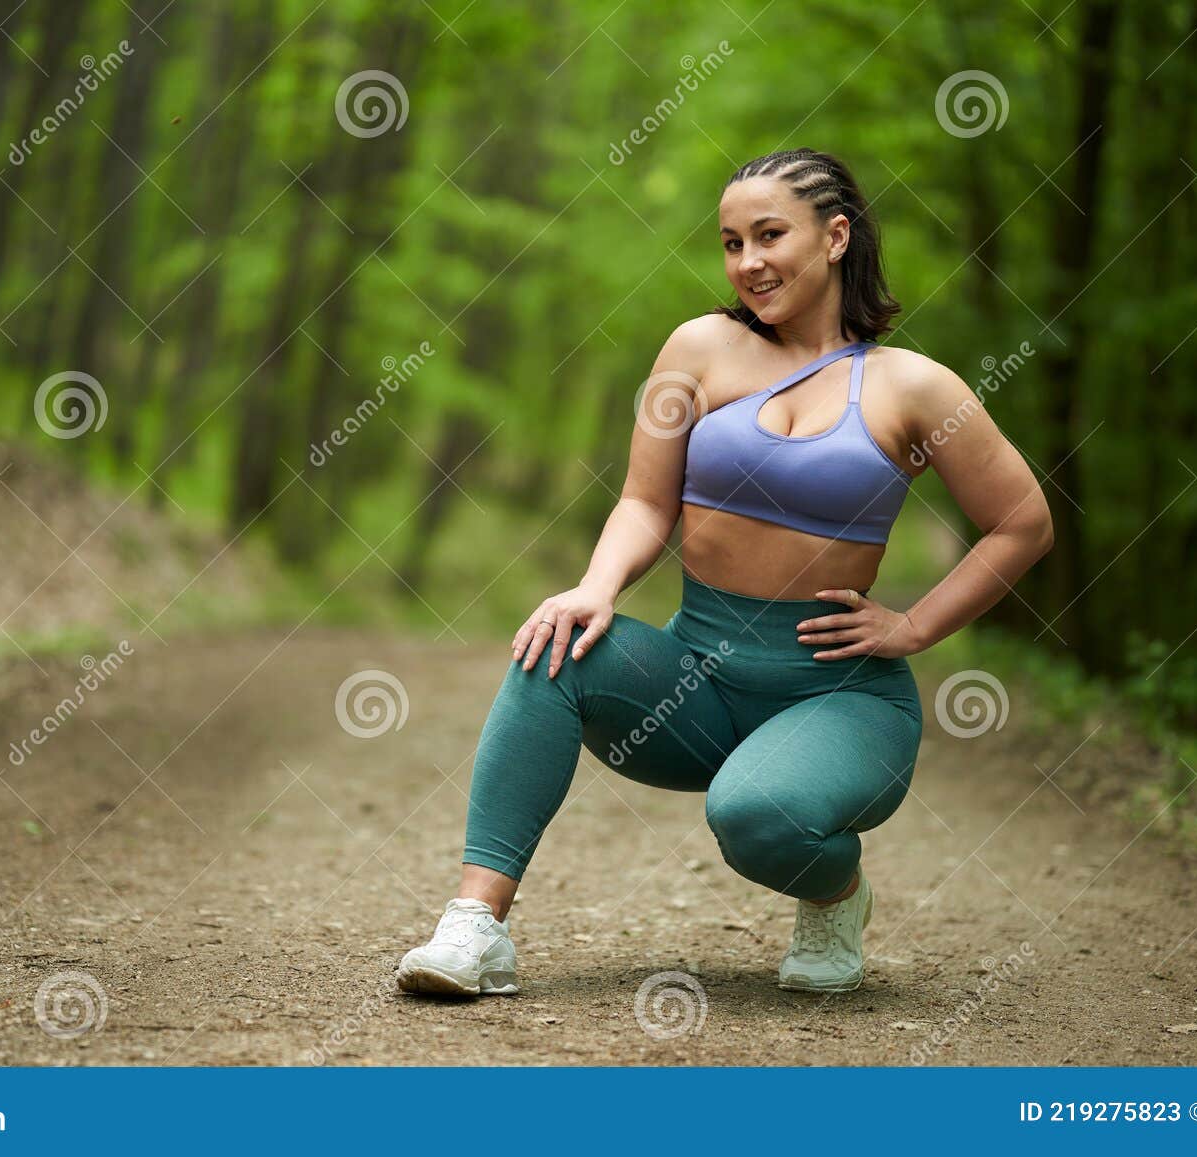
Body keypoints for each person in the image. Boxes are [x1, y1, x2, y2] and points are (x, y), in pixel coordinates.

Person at [395, 147, 1054, 998]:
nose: (748, 262)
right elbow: (645, 503)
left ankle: (836, 895)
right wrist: (596, 587)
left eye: (770, 235)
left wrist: (915, 625)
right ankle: (474, 925)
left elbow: (1023, 522)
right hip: (696, 683)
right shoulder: (699, 348)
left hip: (839, 697)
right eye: (732, 242)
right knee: (551, 644)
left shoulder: (913, 387)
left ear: (835, 237)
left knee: (753, 814)